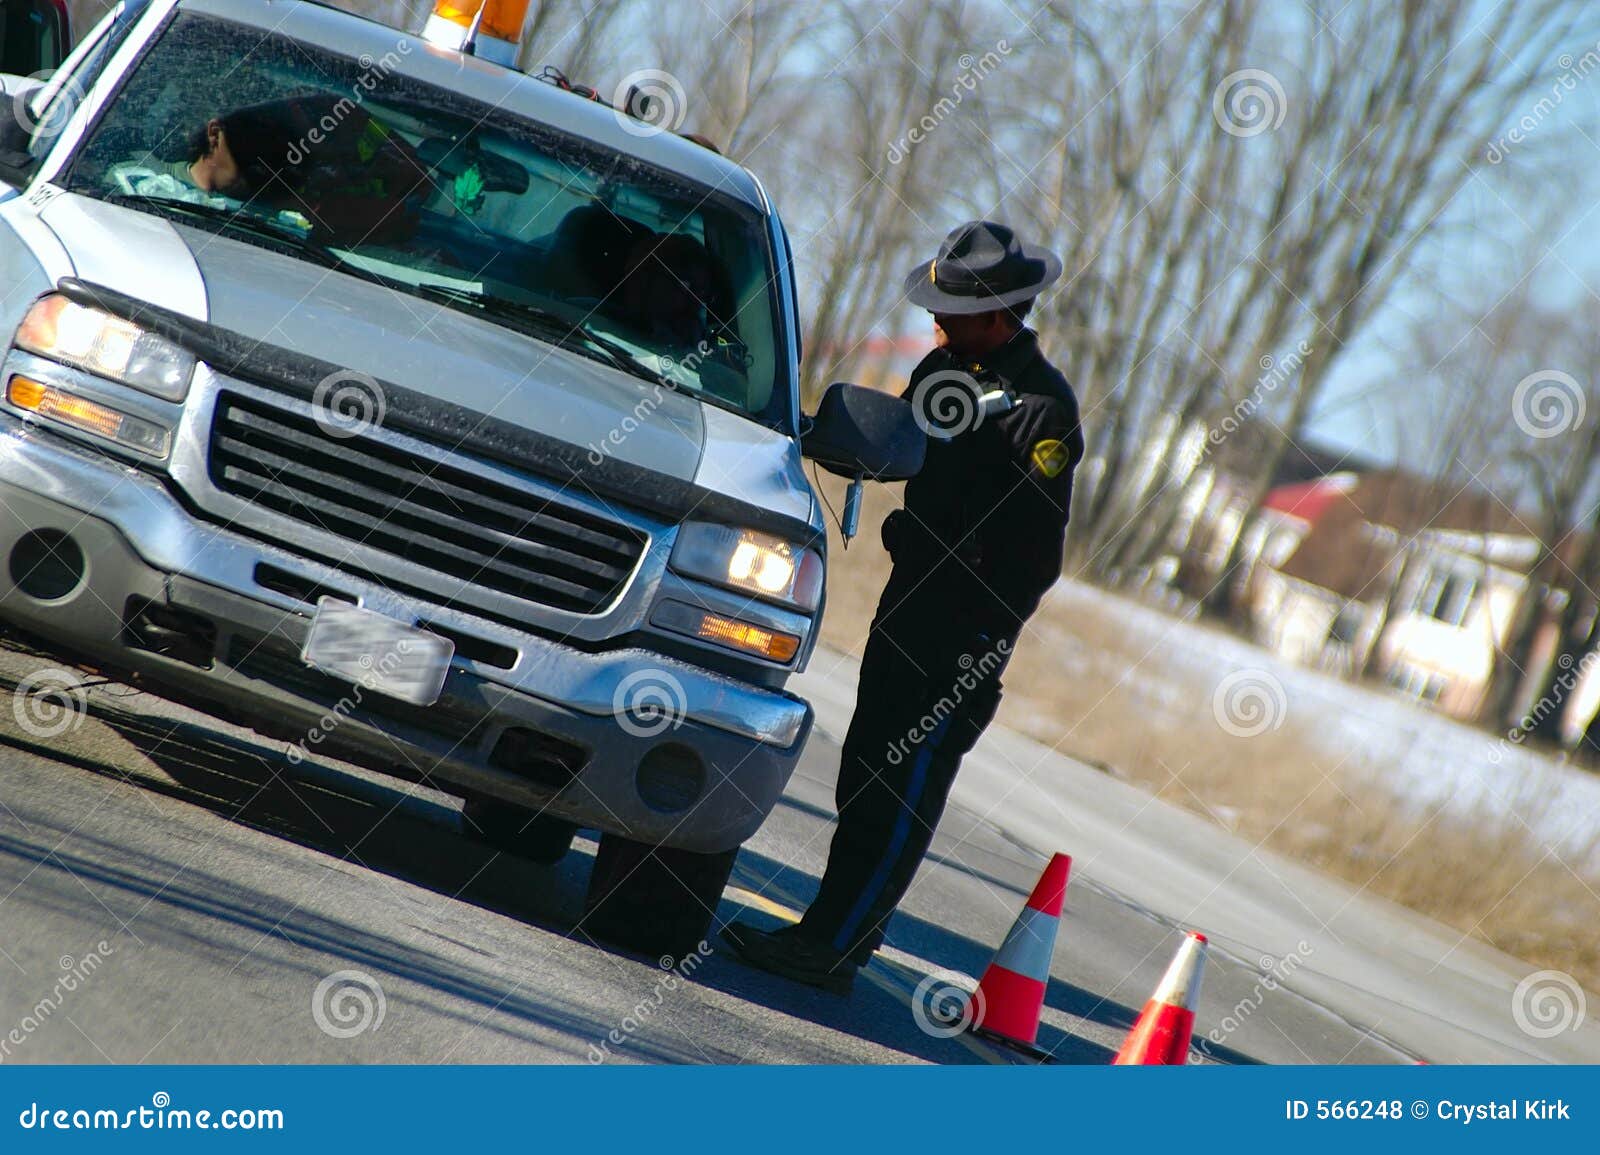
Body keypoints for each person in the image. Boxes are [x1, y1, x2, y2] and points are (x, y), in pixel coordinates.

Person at [723, 220, 1085, 993]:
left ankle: (831, 948)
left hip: (960, 639)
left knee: (899, 792)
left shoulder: (1041, 413)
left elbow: (1036, 559)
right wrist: (821, 437)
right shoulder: (944, 371)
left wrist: (978, 632)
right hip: (907, 611)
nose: (936, 321)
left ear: (1000, 313)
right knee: (862, 778)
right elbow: (898, 449)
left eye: (953, 310)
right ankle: (837, 932)